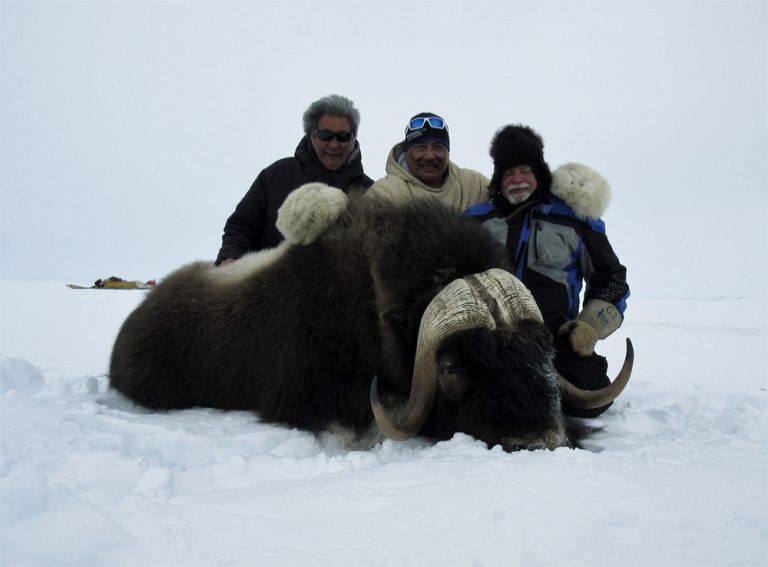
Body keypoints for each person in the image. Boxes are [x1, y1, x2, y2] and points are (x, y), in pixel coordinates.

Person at [463, 124, 630, 418]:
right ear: (498, 179)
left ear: (540, 171)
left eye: (524, 170)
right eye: (508, 173)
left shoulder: (575, 219)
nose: (517, 180)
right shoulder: (475, 221)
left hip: (552, 340)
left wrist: (589, 327)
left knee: (592, 398)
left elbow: (611, 279)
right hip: (489, 339)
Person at [215, 94, 374, 265]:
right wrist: (230, 257)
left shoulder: (370, 194)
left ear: (353, 138)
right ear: (311, 135)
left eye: (343, 136)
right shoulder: (277, 174)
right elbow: (241, 226)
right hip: (268, 285)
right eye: (325, 135)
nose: (334, 144)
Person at [367, 112, 488, 214]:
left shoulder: (473, 185)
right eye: (420, 147)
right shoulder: (385, 193)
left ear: (448, 153)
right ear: (407, 152)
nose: (429, 156)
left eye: (438, 147)